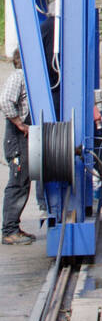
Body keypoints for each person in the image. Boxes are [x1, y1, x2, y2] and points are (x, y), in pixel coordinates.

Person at [2, 50, 36, 245]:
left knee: (23, 182)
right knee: (17, 182)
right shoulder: (19, 76)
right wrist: (20, 124)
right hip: (17, 138)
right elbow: (5, 101)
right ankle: (9, 230)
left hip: (23, 138)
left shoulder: (27, 78)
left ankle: (14, 226)